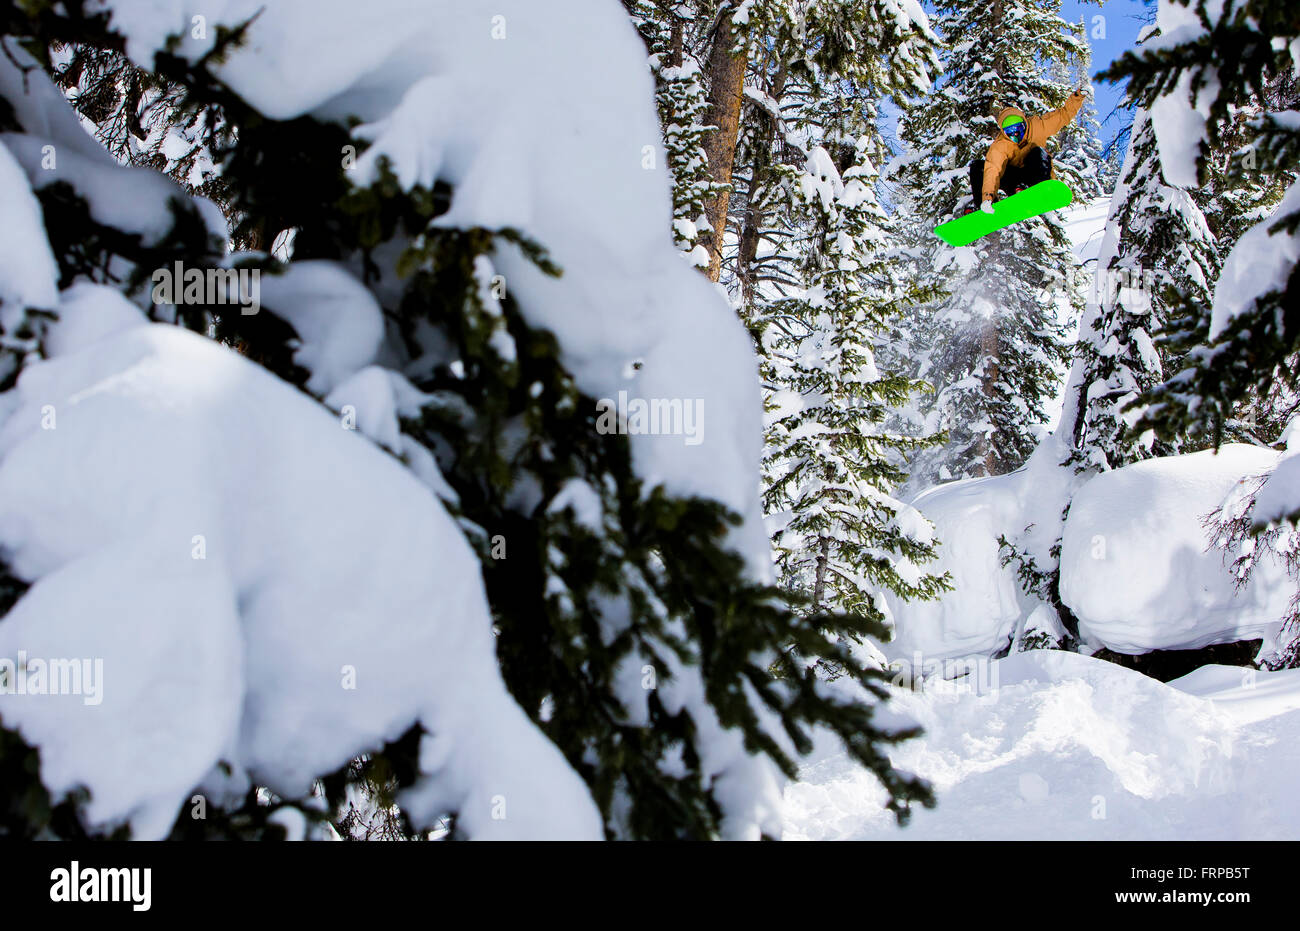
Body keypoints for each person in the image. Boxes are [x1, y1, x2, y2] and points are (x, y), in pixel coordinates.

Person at [969, 89, 1086, 213]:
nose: (1015, 134)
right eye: (1010, 132)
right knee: (978, 167)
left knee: (1037, 152)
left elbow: (1063, 115)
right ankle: (985, 207)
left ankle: (1040, 189)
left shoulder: (1038, 126)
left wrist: (1077, 97)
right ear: (1004, 132)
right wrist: (988, 197)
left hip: (1035, 175)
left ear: (1024, 124)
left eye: (1018, 129)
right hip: (1014, 180)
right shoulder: (1000, 145)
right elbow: (992, 170)